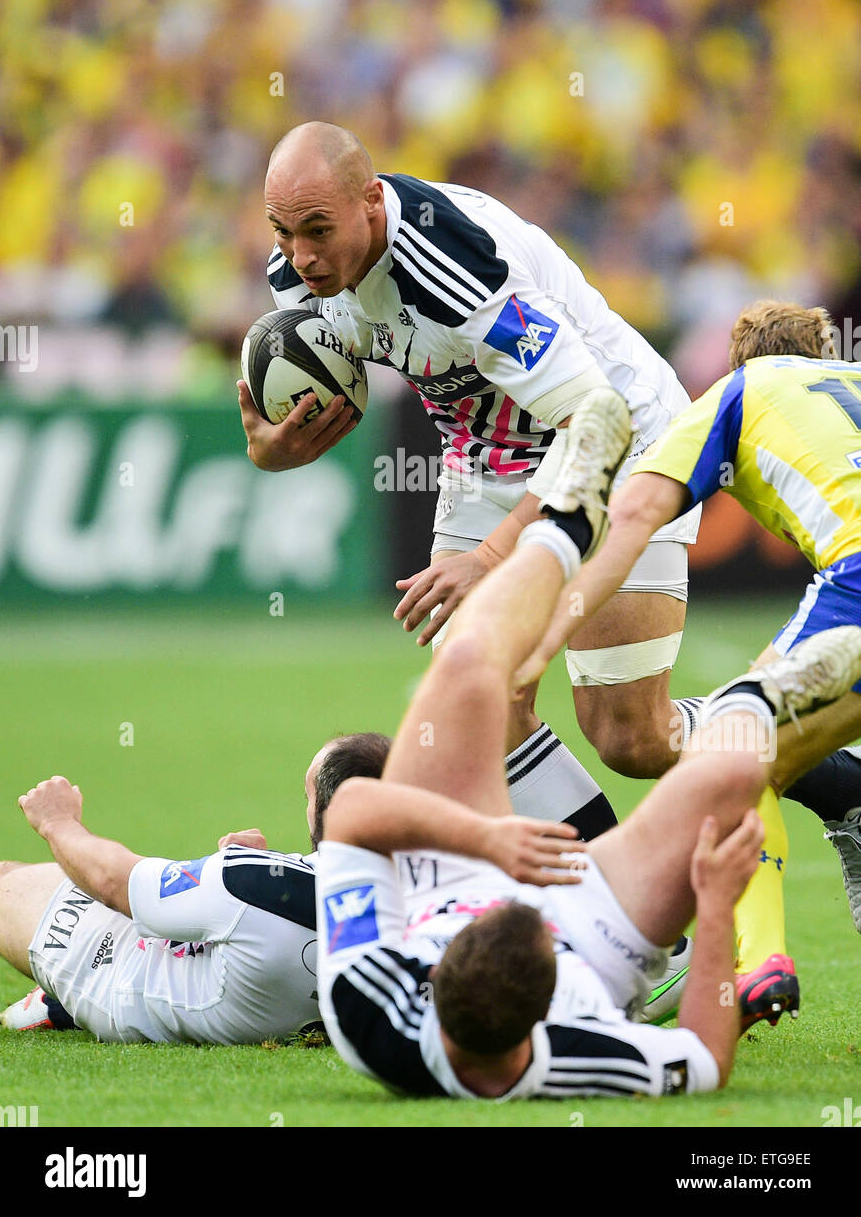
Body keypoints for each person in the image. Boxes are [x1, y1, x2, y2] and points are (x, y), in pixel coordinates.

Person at [315, 387, 861, 1097]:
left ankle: (565, 513)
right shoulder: (579, 1048)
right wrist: (718, 907)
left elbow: (352, 809)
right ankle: (773, 698)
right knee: (722, 786)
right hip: (595, 931)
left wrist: (488, 843)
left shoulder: (367, 1005)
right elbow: (704, 1058)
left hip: (447, 884)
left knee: (468, 666)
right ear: (538, 1027)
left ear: (435, 975)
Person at [238, 121, 703, 838]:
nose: (299, 256)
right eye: (281, 231)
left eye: (317, 230)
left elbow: (592, 419)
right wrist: (279, 450)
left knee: (630, 736)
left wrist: (491, 558)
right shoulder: (297, 278)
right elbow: (339, 380)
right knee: (474, 702)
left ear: (370, 201)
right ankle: (623, 922)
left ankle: (819, 753)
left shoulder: (457, 268)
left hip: (622, 443)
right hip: (486, 456)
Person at [514, 301, 861, 1026]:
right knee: (773, 726)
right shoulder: (849, 382)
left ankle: (761, 959)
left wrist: (546, 635)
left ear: (741, 360)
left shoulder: (737, 394)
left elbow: (630, 523)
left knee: (730, 742)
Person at [0, 733, 389, 1040]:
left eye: (307, 795)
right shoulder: (428, 886)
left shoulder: (244, 882)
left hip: (122, 981)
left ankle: (65, 1003)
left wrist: (58, 822)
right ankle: (57, 1007)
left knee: (2, 882)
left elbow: (113, 881)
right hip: (264, 1001)